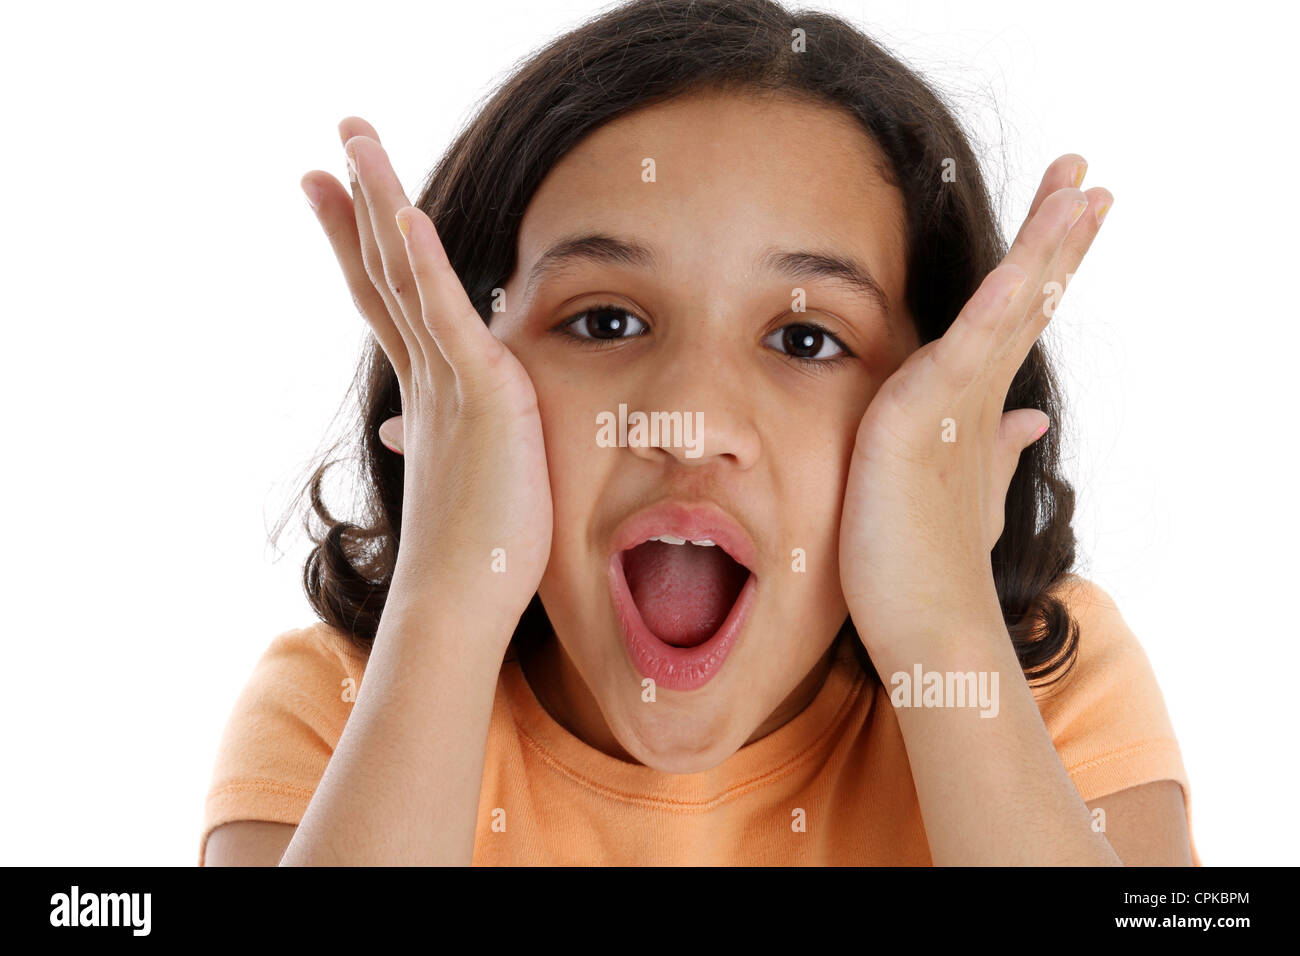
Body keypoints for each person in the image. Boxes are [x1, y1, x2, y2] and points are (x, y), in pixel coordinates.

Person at [201, 0, 1196, 866]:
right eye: (605, 321)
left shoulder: (1037, 677)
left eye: (805, 337)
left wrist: (942, 621)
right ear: (454, 378)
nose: (692, 423)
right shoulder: (333, 708)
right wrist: (449, 605)